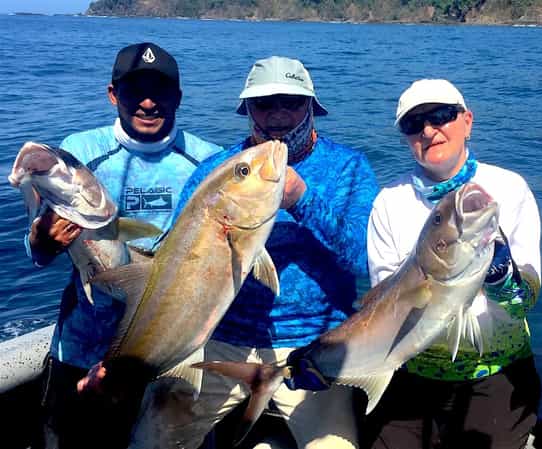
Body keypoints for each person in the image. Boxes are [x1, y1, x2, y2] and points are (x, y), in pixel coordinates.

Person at [125, 56, 379, 449]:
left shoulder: (349, 168)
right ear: (247, 110)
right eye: (264, 104)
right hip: (219, 340)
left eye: (291, 103)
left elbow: (363, 259)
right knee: (152, 438)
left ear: (312, 106)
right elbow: (173, 259)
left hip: (314, 345)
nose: (278, 114)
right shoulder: (216, 171)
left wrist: (301, 201)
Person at [27, 42, 221, 448]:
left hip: (167, 356)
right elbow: (39, 253)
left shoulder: (207, 162)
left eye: (161, 91)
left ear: (179, 97)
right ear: (113, 94)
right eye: (135, 91)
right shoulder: (79, 155)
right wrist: (43, 241)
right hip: (80, 351)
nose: (148, 103)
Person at [363, 79, 542, 449]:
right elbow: (387, 306)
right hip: (411, 372)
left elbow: (525, 302)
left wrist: (500, 276)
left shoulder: (509, 189)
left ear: (467, 122)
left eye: (441, 116)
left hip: (496, 375)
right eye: (414, 125)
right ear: (405, 138)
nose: (429, 131)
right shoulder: (388, 203)